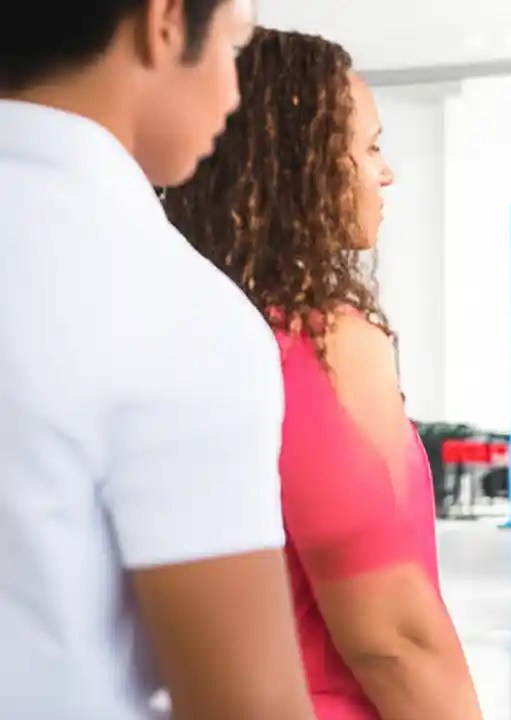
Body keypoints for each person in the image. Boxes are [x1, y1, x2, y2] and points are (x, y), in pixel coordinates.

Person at [0, 1, 316, 718]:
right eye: (233, 48)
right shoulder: (169, 306)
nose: (234, 94)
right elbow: (246, 704)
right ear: (166, 21)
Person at [163, 27, 484, 720]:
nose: (386, 171)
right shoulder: (322, 341)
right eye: (369, 147)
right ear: (298, 164)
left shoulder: (192, 320)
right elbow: (394, 637)